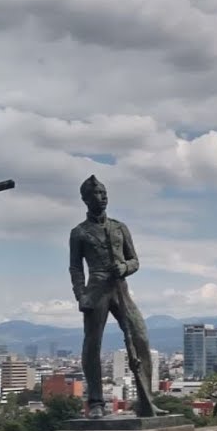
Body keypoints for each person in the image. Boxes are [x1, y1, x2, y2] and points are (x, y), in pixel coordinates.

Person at [68, 175, 163, 417]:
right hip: (96, 290)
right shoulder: (79, 233)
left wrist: (125, 268)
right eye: (97, 194)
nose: (102, 198)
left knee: (140, 337)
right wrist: (81, 295)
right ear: (86, 200)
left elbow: (135, 260)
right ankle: (96, 403)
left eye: (105, 193)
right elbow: (76, 268)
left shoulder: (120, 228)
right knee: (92, 344)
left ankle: (146, 400)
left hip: (121, 288)